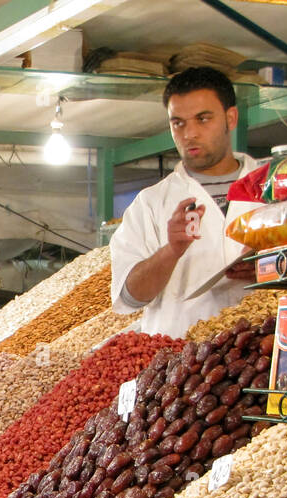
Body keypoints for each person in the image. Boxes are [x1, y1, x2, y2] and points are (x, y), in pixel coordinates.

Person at [110, 66, 264, 338]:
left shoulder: (273, 187)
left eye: (203, 119)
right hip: (180, 361)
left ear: (231, 118)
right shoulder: (151, 203)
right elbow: (130, 297)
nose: (189, 133)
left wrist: (269, 267)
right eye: (178, 123)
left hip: (264, 350)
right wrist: (172, 250)